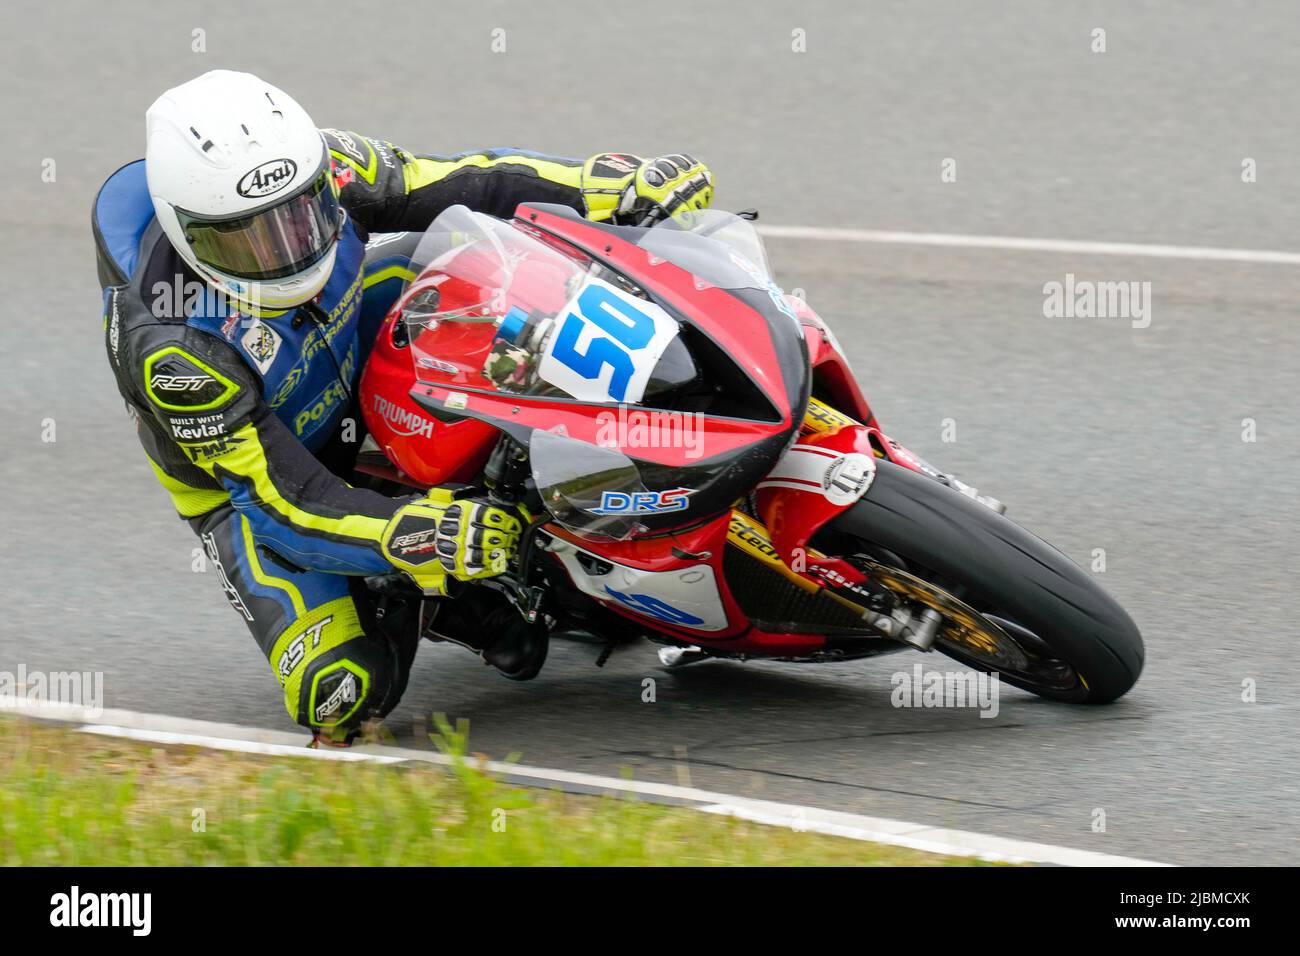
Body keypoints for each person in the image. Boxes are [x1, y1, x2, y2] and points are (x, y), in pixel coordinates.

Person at [93, 70, 713, 744]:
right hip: (266, 481)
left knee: (484, 263)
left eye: (299, 217)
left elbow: (468, 180)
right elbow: (284, 503)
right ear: (188, 236)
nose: (286, 252)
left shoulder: (329, 163)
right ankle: (439, 598)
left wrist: (606, 183)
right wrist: (417, 536)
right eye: (246, 241)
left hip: (353, 332)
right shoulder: (173, 350)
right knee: (341, 693)